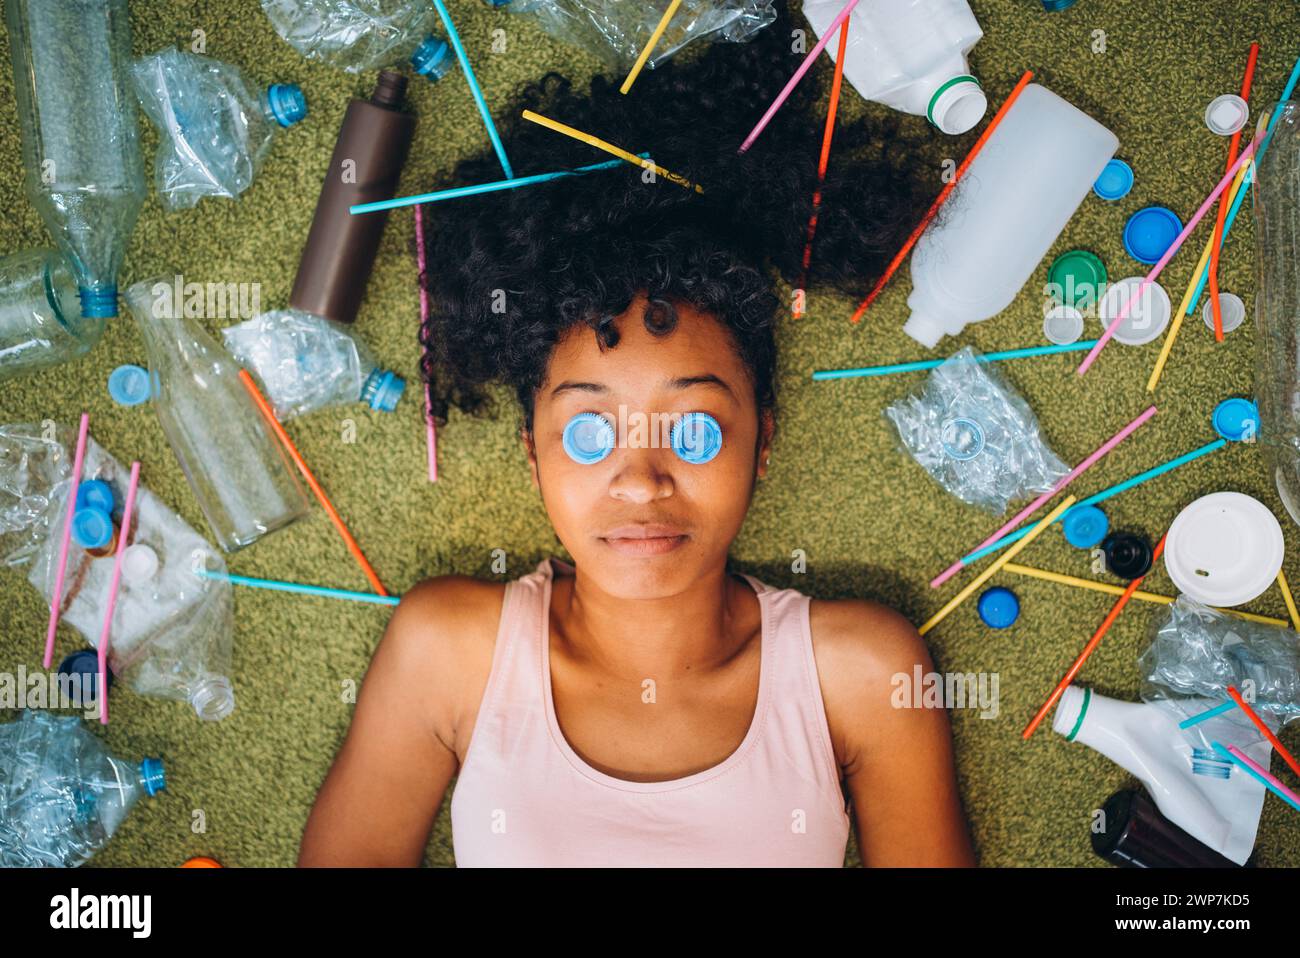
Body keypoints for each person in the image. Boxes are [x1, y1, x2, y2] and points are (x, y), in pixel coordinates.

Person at [299, 0, 975, 867]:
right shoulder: (446, 653)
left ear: (762, 441)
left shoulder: (866, 675)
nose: (642, 481)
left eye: (693, 431)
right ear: (531, 450)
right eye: (589, 435)